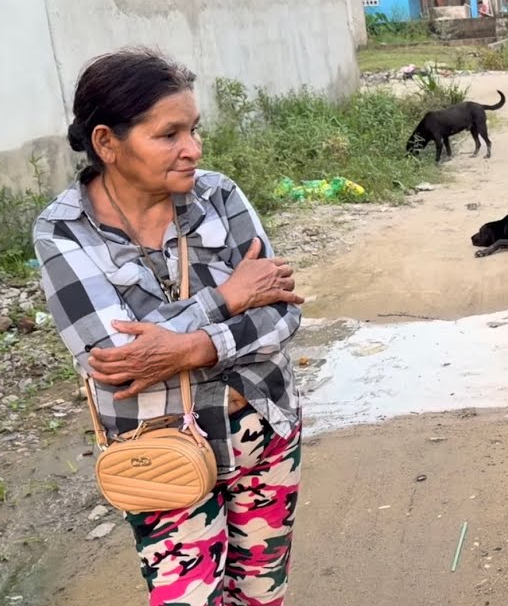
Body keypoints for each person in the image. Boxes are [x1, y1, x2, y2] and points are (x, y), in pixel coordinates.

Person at [33, 47, 307, 606]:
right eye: (170, 135)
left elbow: (283, 312)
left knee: (261, 594)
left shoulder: (219, 196)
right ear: (107, 142)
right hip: (156, 455)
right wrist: (228, 298)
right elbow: (112, 356)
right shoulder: (63, 233)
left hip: (262, 429)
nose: (194, 149)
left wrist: (191, 347)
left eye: (194, 130)